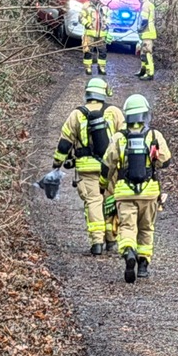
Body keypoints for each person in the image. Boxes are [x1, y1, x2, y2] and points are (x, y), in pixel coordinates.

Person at [101, 93, 171, 282]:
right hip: (149, 192)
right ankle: (143, 266)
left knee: (127, 226)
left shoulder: (118, 138)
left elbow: (107, 164)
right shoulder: (155, 136)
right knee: (146, 228)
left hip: (124, 193)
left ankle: (128, 252)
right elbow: (165, 161)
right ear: (145, 114)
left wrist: (103, 184)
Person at [52, 78, 125, 255]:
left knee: (93, 202)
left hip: (86, 168)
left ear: (88, 93)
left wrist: (56, 164)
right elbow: (124, 138)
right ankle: (111, 239)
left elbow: (64, 144)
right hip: (110, 167)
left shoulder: (76, 114)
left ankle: (97, 242)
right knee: (110, 200)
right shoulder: (114, 112)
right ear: (103, 93)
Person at [80, 0, 111, 75]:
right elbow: (81, 17)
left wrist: (106, 24)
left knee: (103, 52)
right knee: (88, 51)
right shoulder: (86, 6)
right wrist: (87, 24)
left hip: (101, 34)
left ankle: (101, 67)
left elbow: (109, 17)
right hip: (89, 34)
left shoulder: (104, 7)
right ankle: (88, 67)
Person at [135, 0, 156, 80]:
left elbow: (144, 20)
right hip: (146, 33)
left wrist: (140, 29)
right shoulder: (148, 4)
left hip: (147, 33)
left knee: (147, 53)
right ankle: (143, 70)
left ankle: (149, 73)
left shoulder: (145, 5)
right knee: (143, 54)